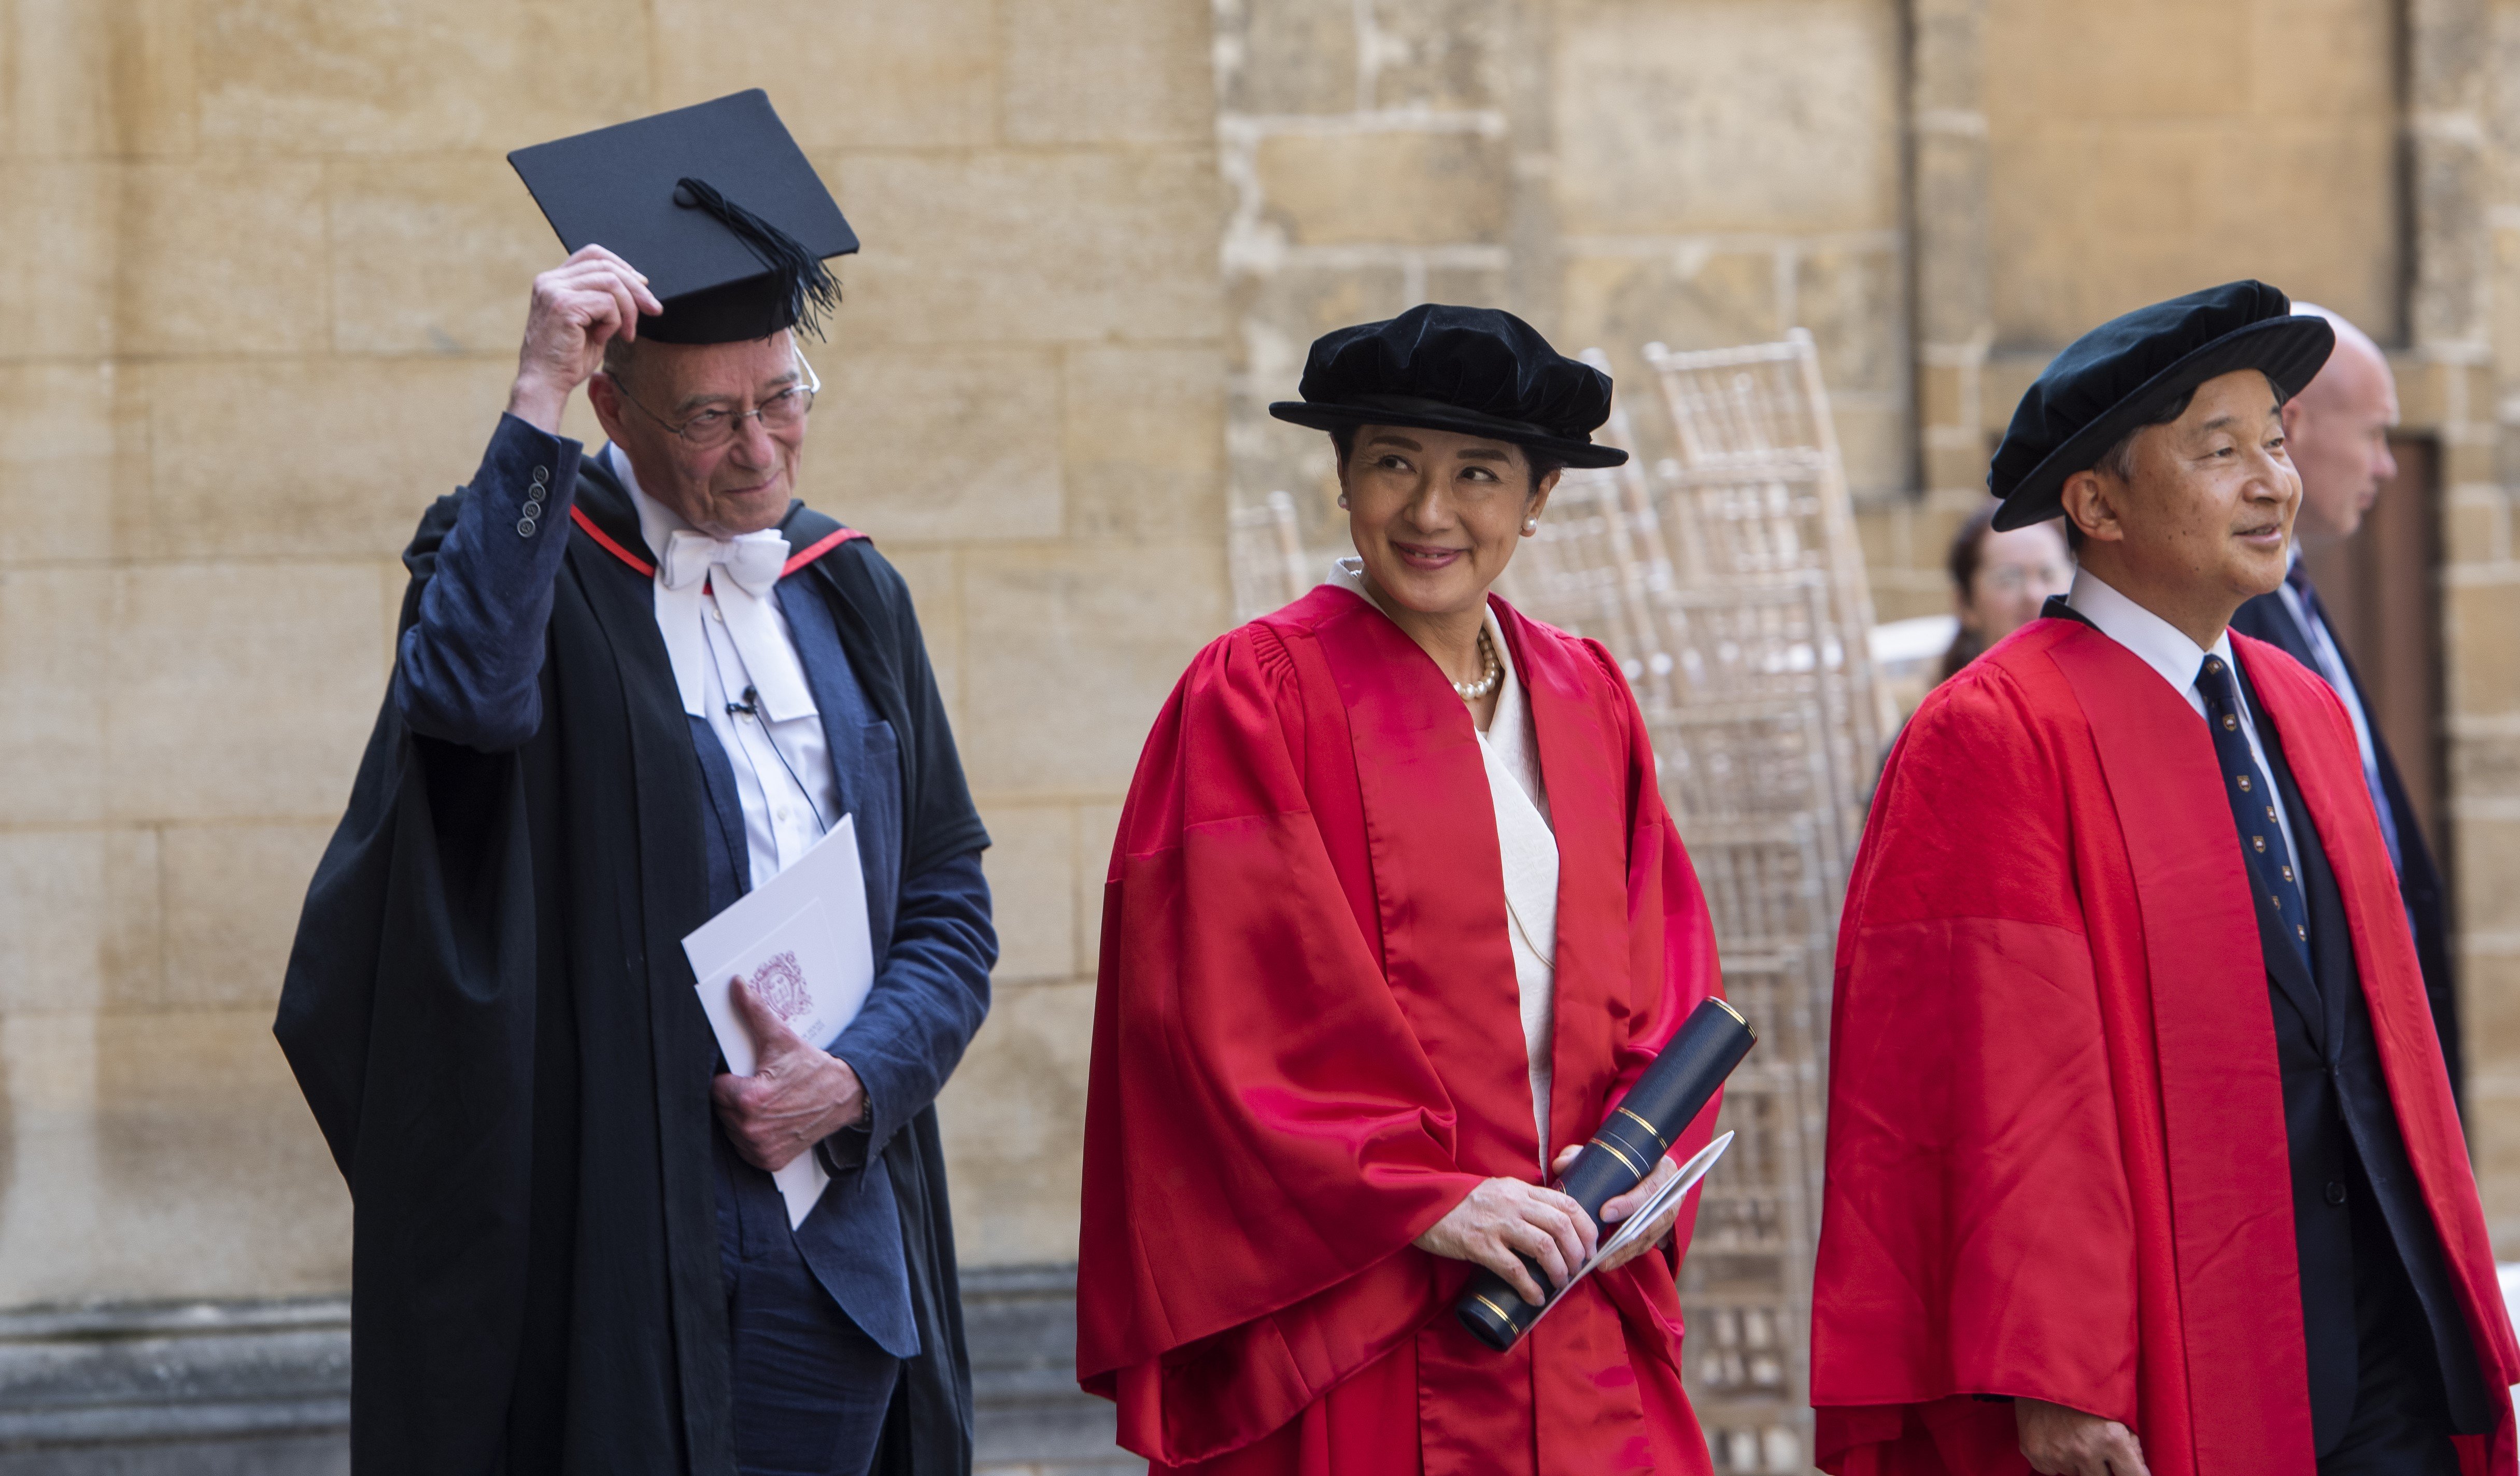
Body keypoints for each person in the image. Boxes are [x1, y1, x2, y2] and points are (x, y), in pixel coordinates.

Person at [274, 93, 994, 1476]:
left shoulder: (848, 590)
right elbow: (465, 703)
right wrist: (531, 399)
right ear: (615, 406)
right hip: (617, 1228)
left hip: (836, 1222)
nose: (760, 449)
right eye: (711, 417)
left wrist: (859, 1076)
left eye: (782, 400)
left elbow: (946, 889)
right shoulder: (529, 574)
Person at [1810, 282, 2516, 1475]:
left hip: (2382, 1327)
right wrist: (2051, 1366)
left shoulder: (2295, 705)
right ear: (2095, 503)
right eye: (2219, 449)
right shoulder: (1993, 731)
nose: (2272, 481)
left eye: (2275, 442)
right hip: (2172, 1345)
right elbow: (1992, 1085)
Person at [1075, 305, 1728, 1473]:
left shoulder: (1585, 694)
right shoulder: (1256, 693)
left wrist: (1646, 1169)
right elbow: (1212, 1010)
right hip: (1371, 1308)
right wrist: (1421, 1198)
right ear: (1342, 478)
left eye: (1478, 473)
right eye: (1392, 465)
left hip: (1570, 1291)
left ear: (1537, 497)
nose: (1430, 513)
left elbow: (1663, 957)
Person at [2228, 305, 2465, 1105]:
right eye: (2372, 433)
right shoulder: (2229, 618)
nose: (2387, 465)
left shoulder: (2293, 597)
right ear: (2291, 426)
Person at [1936, 504, 2074, 683]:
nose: (2033, 594)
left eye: (2048, 575)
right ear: (1965, 604)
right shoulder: (1951, 701)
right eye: (2008, 579)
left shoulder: (2104, 687)